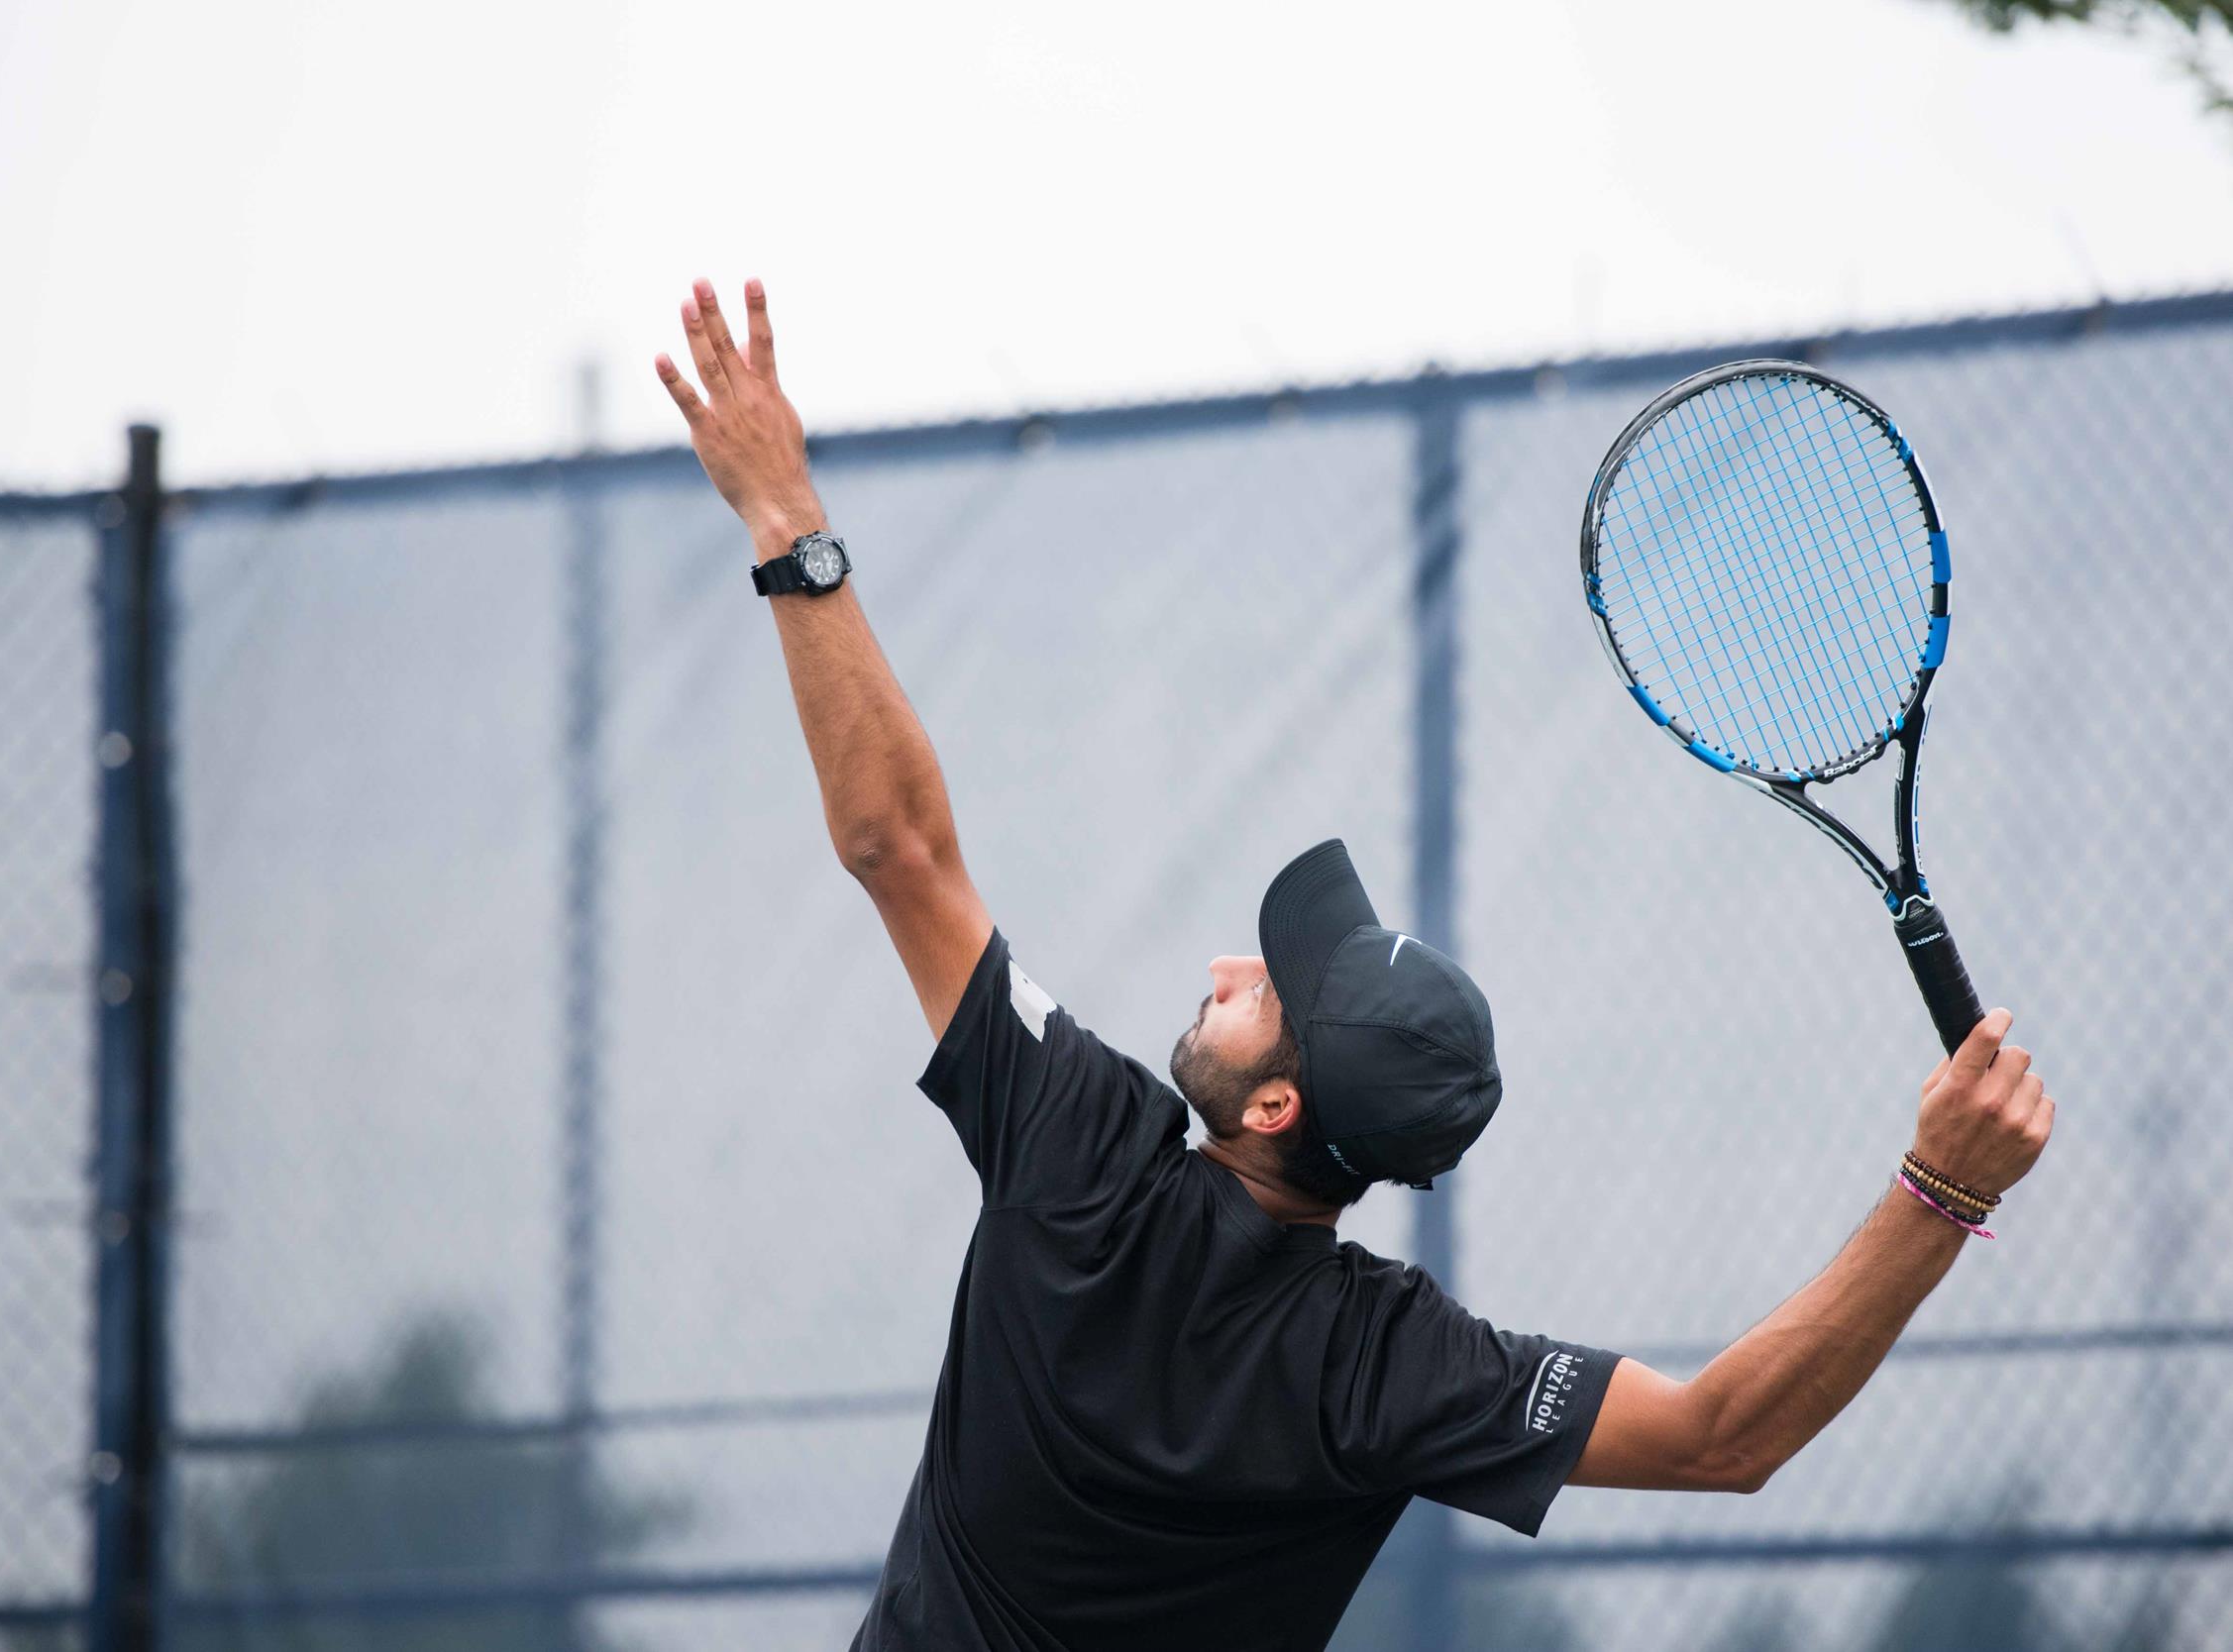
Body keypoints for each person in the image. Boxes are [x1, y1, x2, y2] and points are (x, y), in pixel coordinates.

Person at [653, 277, 2056, 1652]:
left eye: (1262, 990)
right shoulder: (1389, 1365)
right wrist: (1942, 1189)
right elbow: (1719, 1439)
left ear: (1274, 1106)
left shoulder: (1084, 1154)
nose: (1226, 967)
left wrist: (786, 519)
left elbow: (898, 847)